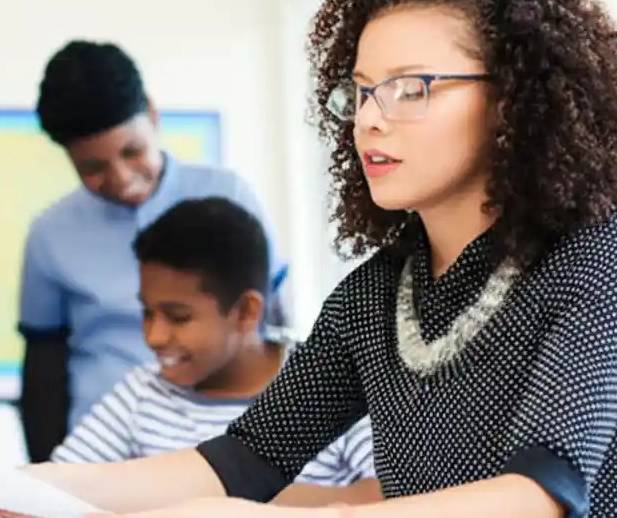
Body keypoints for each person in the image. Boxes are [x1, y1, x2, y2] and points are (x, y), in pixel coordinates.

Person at [0, 0, 617, 518]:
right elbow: (239, 463)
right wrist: (44, 493)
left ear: (513, 100)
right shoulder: (374, 296)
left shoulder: (602, 254)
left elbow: (537, 512)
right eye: (358, 93)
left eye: (410, 89)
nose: (369, 118)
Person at [19, 39, 290, 463]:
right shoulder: (49, 234)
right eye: (94, 168)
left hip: (233, 437)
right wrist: (45, 483)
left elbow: (274, 322)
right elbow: (42, 375)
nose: (123, 178)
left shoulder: (229, 197)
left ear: (152, 113)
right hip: (103, 453)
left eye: (132, 151)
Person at [53, 197, 375, 497]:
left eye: (178, 317)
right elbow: (60, 489)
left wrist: (212, 506)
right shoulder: (143, 391)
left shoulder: (329, 381)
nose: (154, 336)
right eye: (147, 313)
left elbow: (389, 500)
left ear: (246, 311)